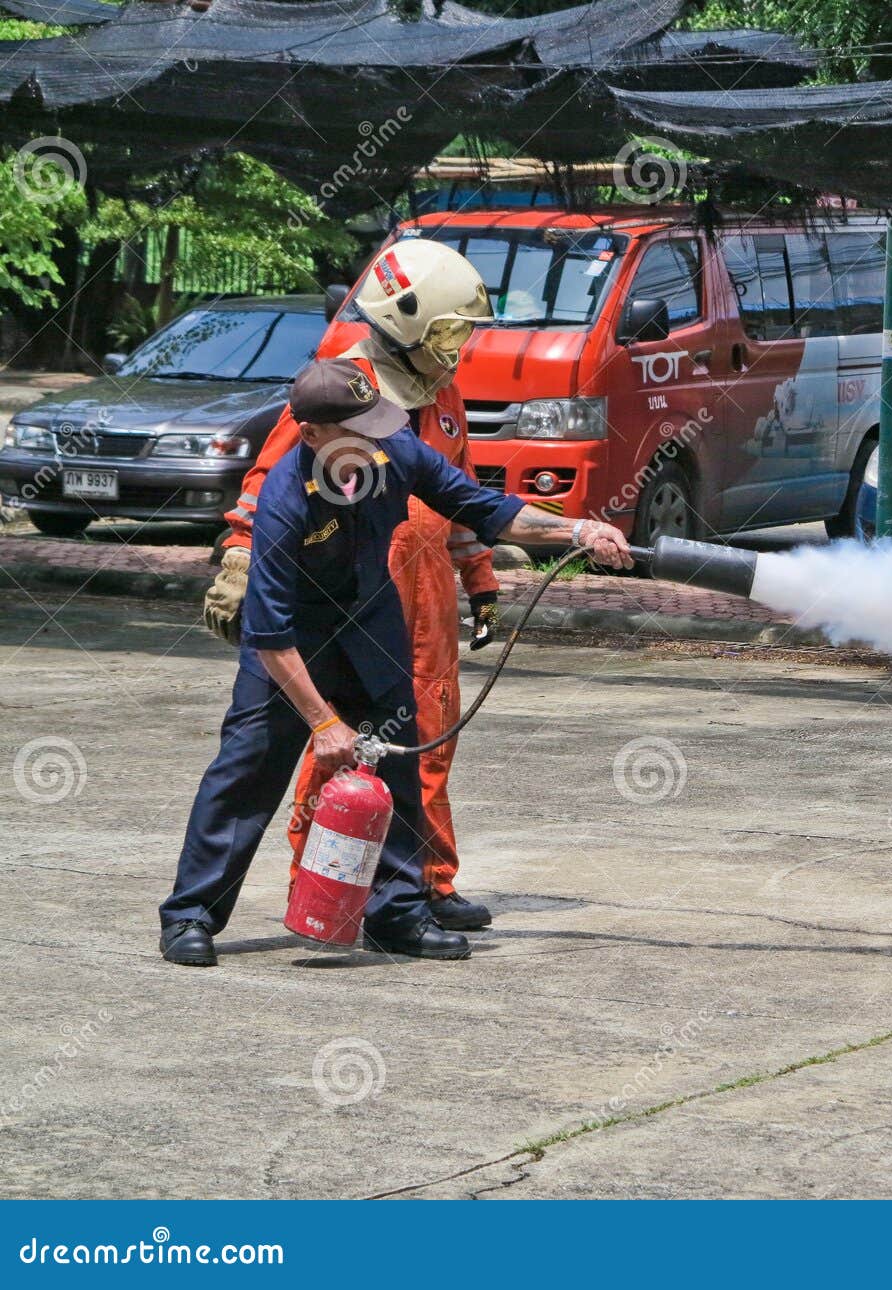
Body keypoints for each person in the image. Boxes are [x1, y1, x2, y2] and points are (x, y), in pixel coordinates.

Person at [159, 359, 632, 967]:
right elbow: (269, 632)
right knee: (249, 767)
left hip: (370, 626)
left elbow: (484, 507)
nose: (380, 437)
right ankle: (191, 915)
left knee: (396, 767)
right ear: (312, 436)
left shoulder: (397, 452)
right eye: (362, 428)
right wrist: (323, 722)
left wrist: (578, 532)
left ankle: (396, 914)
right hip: (292, 645)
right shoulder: (283, 500)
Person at [203, 238, 510, 932]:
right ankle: (317, 884)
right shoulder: (341, 392)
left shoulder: (443, 394)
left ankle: (425, 885)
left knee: (423, 743)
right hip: (354, 590)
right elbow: (269, 486)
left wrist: (480, 579)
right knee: (338, 749)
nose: (457, 346)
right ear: (409, 325)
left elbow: (460, 498)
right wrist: (240, 559)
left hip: (426, 596)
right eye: (449, 331)